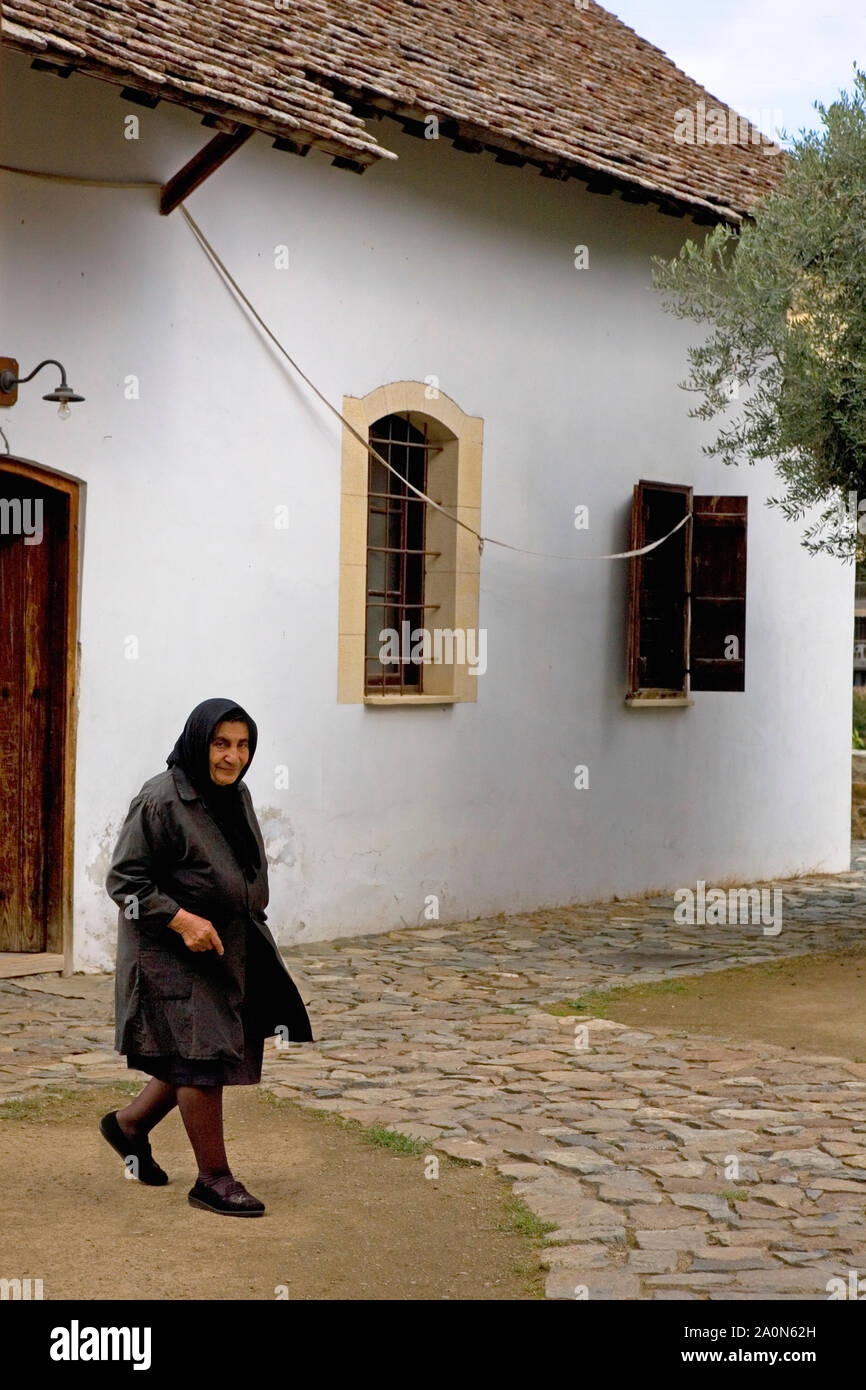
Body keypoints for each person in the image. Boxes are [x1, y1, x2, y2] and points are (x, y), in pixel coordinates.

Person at [102, 697, 313, 1216]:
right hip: (171, 950)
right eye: (221, 744)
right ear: (200, 742)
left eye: (242, 745)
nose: (232, 756)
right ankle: (213, 1179)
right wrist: (181, 919)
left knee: (200, 1047)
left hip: (227, 947)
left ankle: (129, 1126)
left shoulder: (234, 793)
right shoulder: (160, 801)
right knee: (202, 1056)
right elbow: (125, 883)